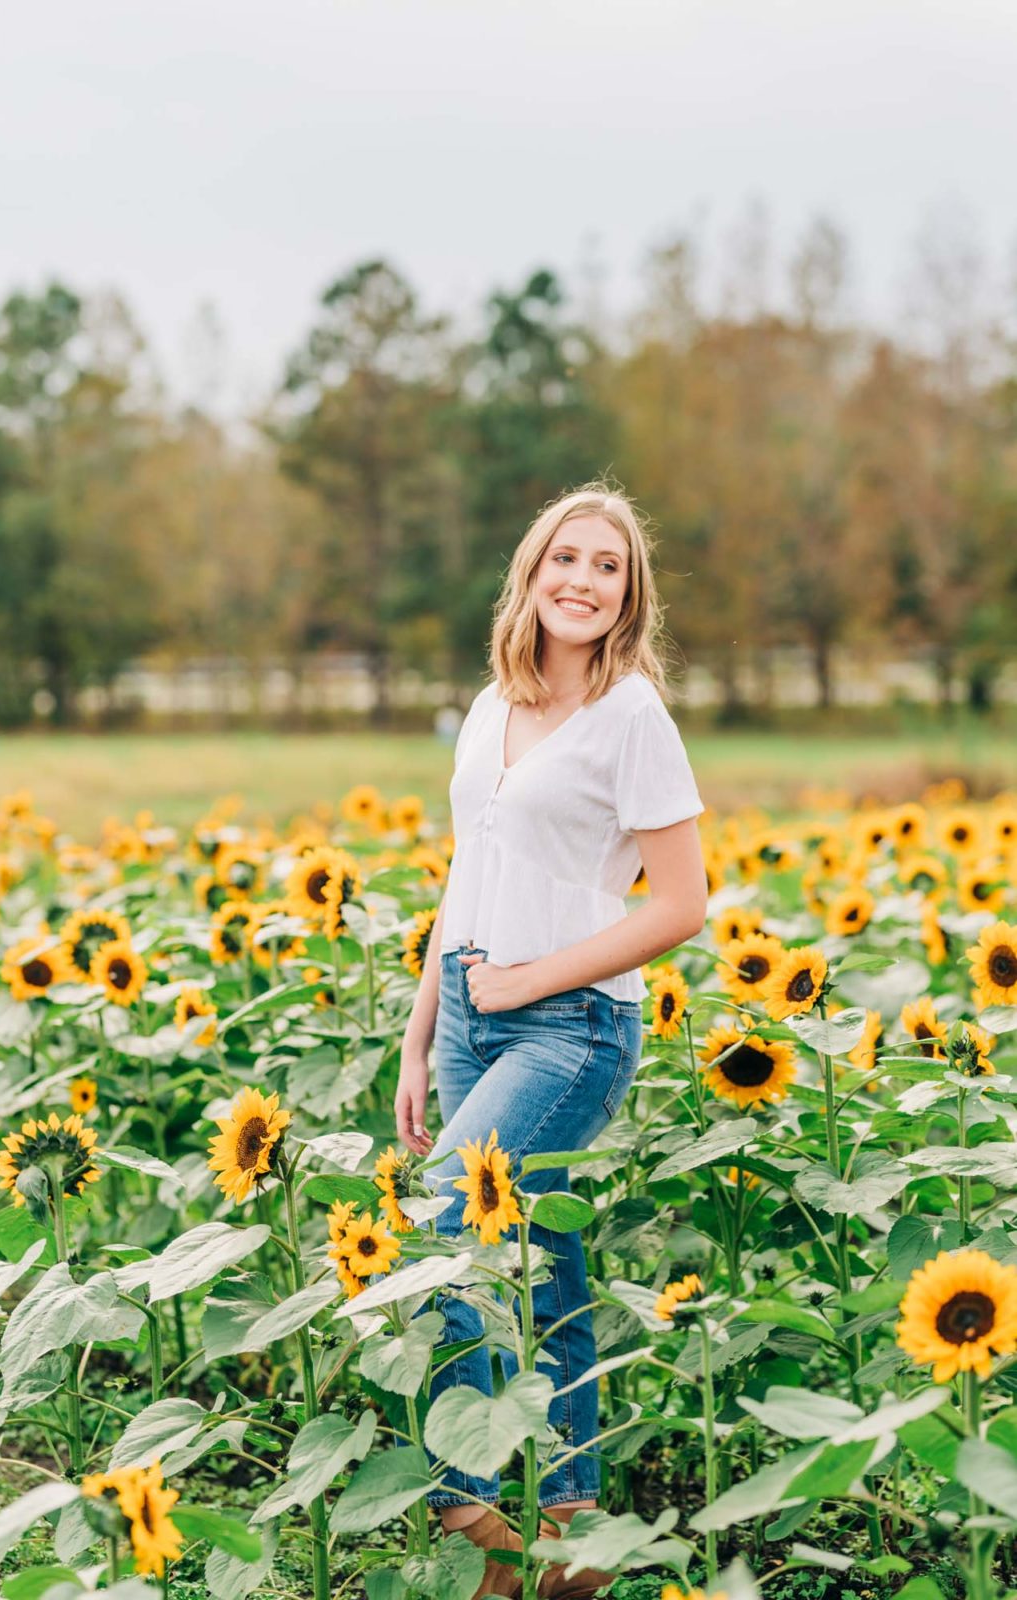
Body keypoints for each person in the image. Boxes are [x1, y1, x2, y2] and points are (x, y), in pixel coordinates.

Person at [395, 482, 708, 1599]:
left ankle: (473, 1514)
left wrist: (532, 975)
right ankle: (572, 1535)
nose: (582, 579)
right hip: (473, 1020)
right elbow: (464, 869)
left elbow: (681, 904)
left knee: (435, 1238)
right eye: (563, 558)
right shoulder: (492, 705)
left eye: (607, 566)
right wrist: (422, 1023)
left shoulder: (632, 717)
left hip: (574, 1026)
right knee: (551, 1263)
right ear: (529, 575)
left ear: (630, 596)